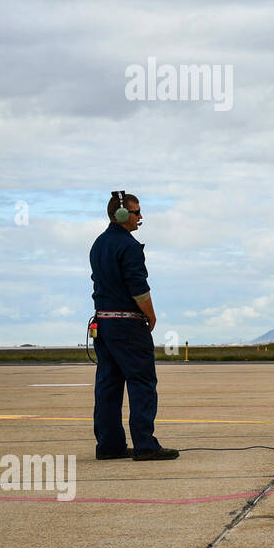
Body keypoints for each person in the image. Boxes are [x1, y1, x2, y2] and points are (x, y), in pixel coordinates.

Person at [90, 191, 178, 461]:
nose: (140, 217)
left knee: (108, 385)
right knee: (141, 382)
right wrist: (151, 316)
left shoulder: (98, 244)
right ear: (120, 215)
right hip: (128, 326)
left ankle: (109, 446)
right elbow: (139, 289)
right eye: (136, 212)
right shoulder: (128, 246)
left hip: (103, 325)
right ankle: (145, 444)